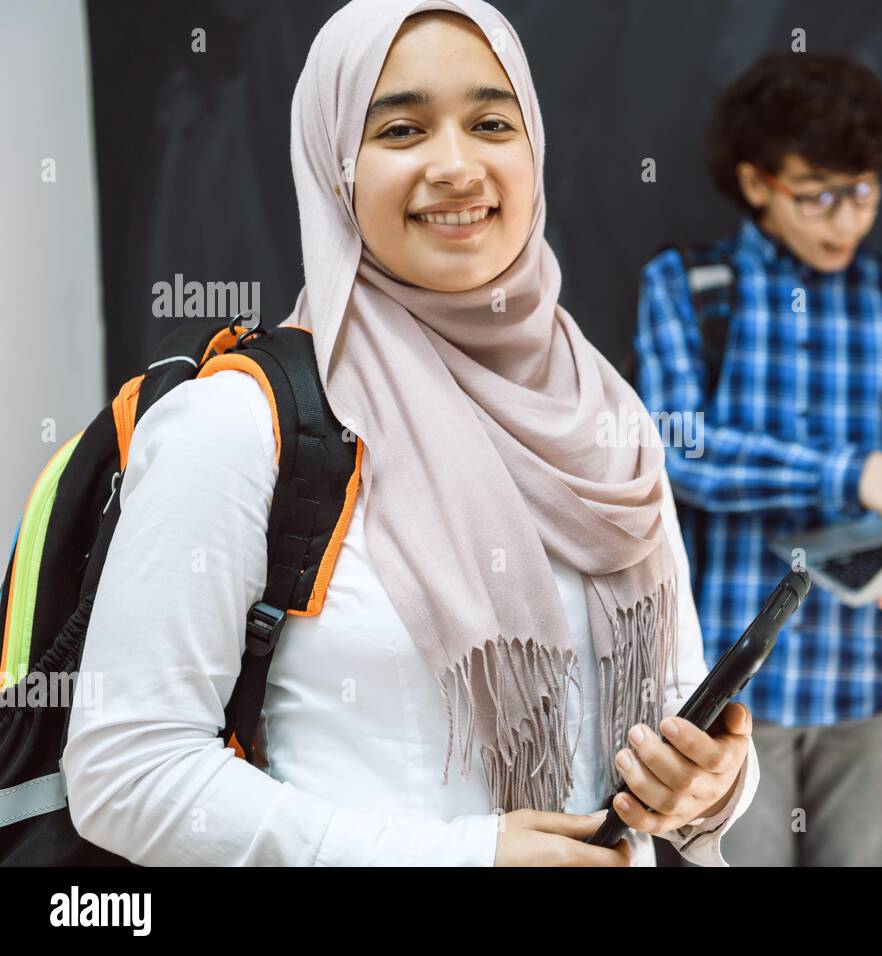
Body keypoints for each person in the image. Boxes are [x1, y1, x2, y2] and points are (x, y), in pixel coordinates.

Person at [62, 0, 761, 868]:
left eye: (491, 121)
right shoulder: (241, 425)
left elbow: (662, 710)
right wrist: (468, 857)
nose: (458, 166)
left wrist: (708, 790)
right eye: (401, 130)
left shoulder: (603, 414)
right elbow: (127, 772)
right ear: (335, 166)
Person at [635, 51, 882, 867]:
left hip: (879, 679)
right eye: (819, 195)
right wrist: (852, 472)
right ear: (758, 182)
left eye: (864, 191)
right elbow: (677, 450)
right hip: (731, 685)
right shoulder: (691, 286)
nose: (846, 219)